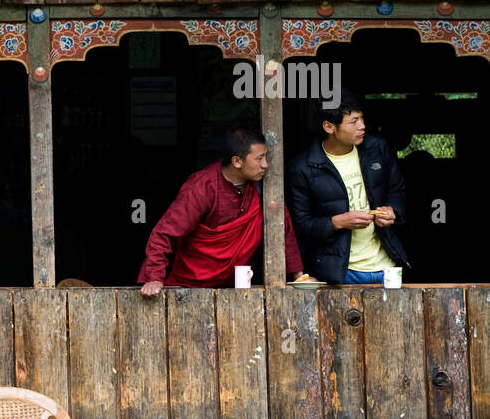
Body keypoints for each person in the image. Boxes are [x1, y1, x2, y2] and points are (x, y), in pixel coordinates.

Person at [138, 126, 308, 295]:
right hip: (191, 287)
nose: (265, 165)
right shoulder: (201, 188)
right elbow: (164, 233)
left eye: (266, 157)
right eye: (259, 158)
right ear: (237, 162)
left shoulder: (265, 188)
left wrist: (299, 277)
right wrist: (154, 277)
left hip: (240, 290)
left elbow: (282, 231)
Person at [288, 94, 409, 284]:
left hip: (387, 266)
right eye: (353, 121)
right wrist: (337, 222)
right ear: (329, 127)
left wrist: (392, 210)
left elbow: (397, 190)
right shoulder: (303, 168)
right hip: (340, 272)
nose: (362, 126)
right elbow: (302, 225)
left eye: (362, 118)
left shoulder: (377, 148)